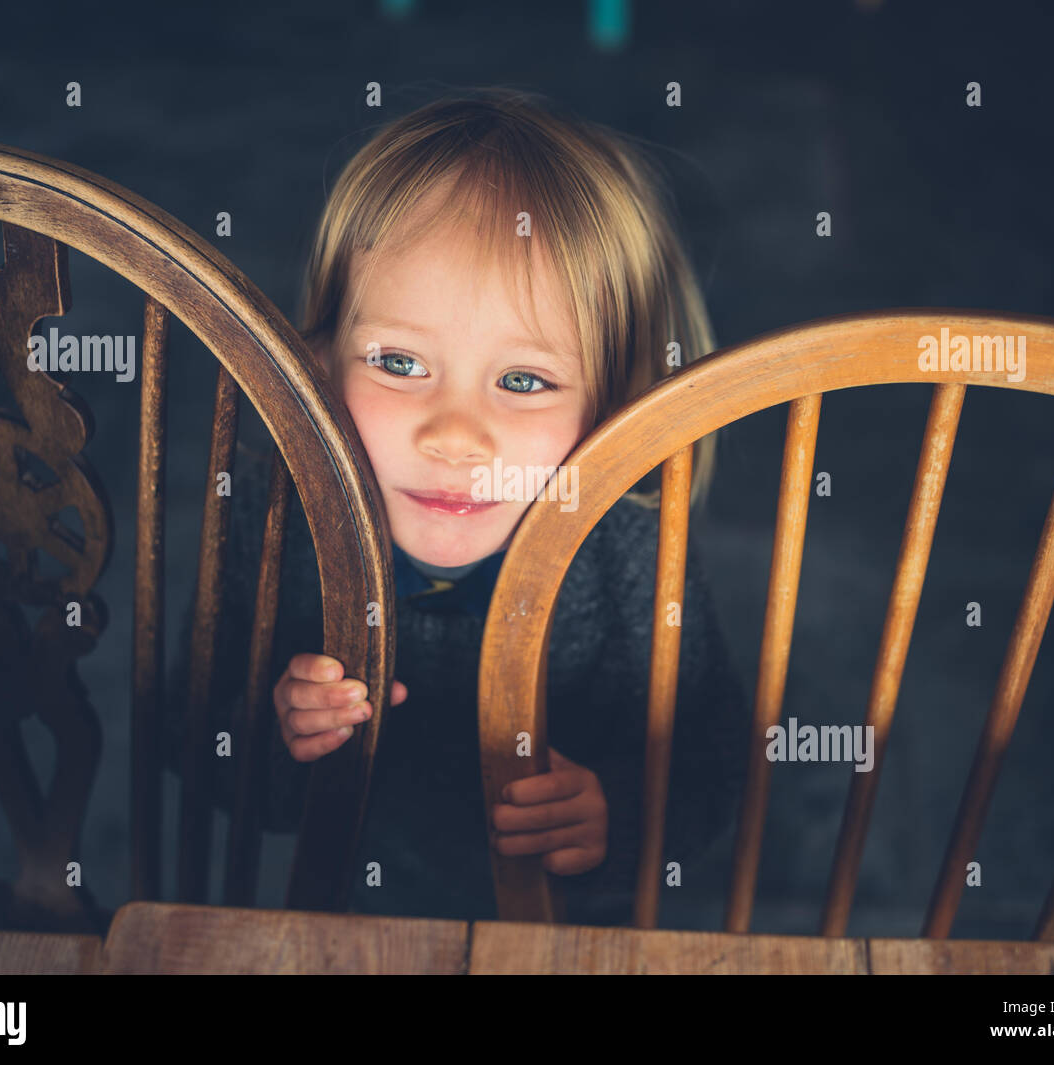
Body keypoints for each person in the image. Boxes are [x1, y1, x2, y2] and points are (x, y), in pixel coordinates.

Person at [165, 87, 749, 927]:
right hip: (346, 930)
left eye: (523, 381)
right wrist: (279, 738)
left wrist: (615, 812)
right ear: (321, 357)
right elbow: (188, 739)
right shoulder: (273, 510)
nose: (455, 434)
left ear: (613, 406)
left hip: (565, 940)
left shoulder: (631, 541)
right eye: (399, 363)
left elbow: (711, 761)